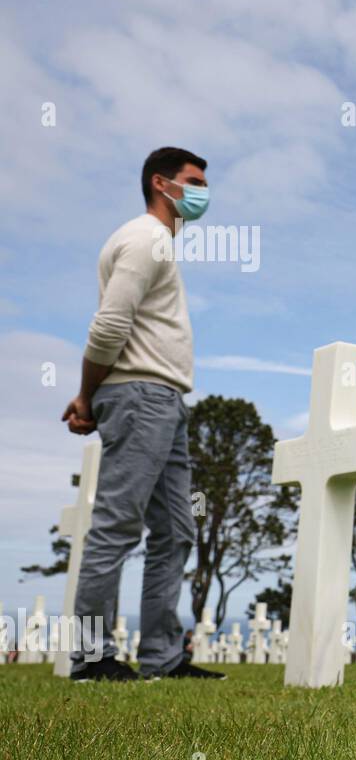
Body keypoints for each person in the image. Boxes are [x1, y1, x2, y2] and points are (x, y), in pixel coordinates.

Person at [61, 147, 224, 682]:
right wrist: (87, 395)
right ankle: (91, 658)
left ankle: (162, 657)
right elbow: (108, 326)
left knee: (177, 530)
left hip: (166, 400)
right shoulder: (145, 238)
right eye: (193, 181)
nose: (202, 192)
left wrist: (92, 392)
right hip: (141, 397)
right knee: (115, 527)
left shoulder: (156, 245)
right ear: (162, 183)